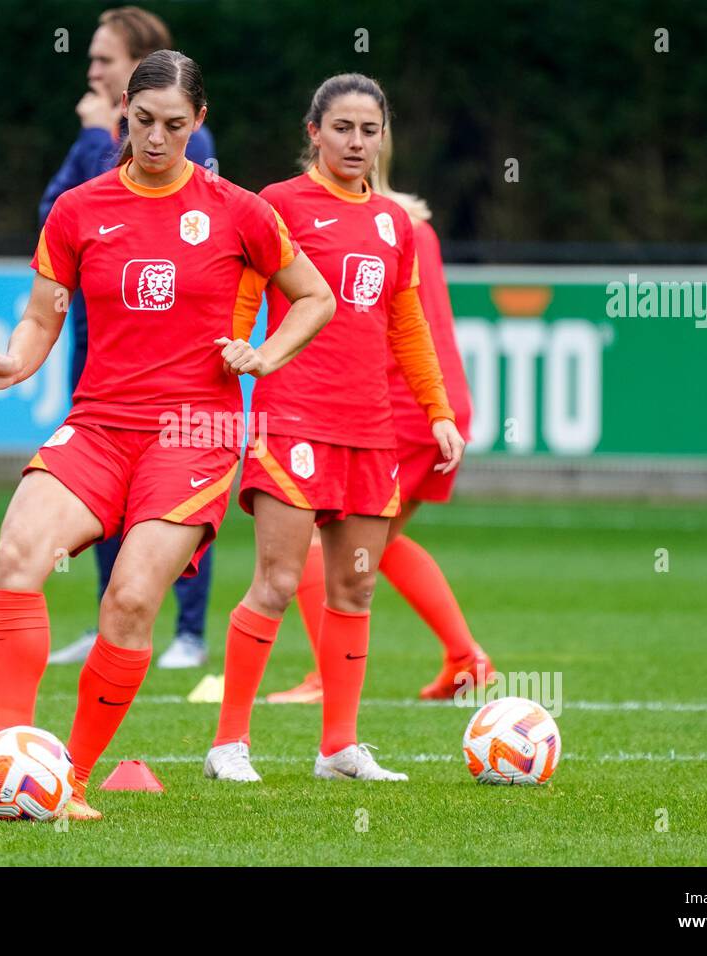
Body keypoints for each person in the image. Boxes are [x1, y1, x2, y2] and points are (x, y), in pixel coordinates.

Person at [0, 50, 334, 819]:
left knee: (131, 600)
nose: (157, 139)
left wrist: (264, 356)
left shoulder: (240, 210)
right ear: (124, 119)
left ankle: (65, 775)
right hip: (99, 424)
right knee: (16, 554)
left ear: (199, 122)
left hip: (194, 433)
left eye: (175, 125)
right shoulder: (77, 208)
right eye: (143, 122)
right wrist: (13, 363)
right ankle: (8, 753)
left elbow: (314, 297)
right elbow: (43, 317)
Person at [204, 73, 465, 784]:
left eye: (369, 130)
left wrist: (437, 410)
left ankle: (338, 749)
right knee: (279, 581)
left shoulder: (394, 224)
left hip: (370, 429)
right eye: (342, 128)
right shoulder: (276, 206)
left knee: (355, 590)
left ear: (384, 138)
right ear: (313, 132)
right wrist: (235, 353)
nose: (356, 142)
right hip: (293, 420)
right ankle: (229, 744)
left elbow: (407, 324)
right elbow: (244, 294)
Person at [266, 128, 495, 705]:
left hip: (395, 406)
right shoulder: (411, 223)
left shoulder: (384, 225)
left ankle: (326, 677)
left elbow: (389, 330)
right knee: (375, 547)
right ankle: (465, 657)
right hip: (436, 405)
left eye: (365, 133)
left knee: (328, 545)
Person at [39, 6, 219, 670]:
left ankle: (189, 631)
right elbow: (56, 213)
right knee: (106, 491)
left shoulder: (175, 144)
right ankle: (109, 613)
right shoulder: (106, 131)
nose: (90, 69)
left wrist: (95, 138)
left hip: (172, 355)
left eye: (103, 58)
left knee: (180, 486)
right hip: (98, 332)